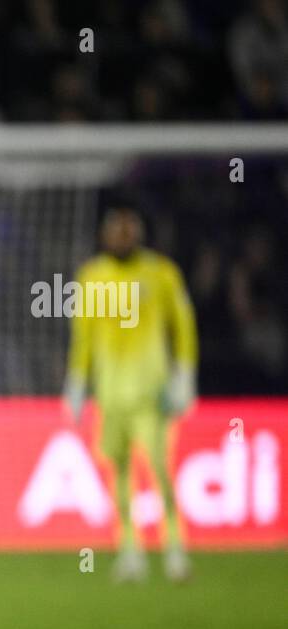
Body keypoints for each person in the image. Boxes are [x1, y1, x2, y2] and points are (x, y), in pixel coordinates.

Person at [64, 197, 197, 581]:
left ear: (138, 232)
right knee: (117, 472)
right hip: (109, 395)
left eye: (128, 228)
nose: (122, 236)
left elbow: (183, 326)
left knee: (158, 468)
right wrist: (76, 382)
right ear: (106, 234)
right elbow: (83, 336)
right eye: (115, 229)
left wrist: (184, 374)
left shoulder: (161, 274)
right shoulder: (92, 277)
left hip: (151, 394)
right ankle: (130, 550)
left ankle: (174, 547)